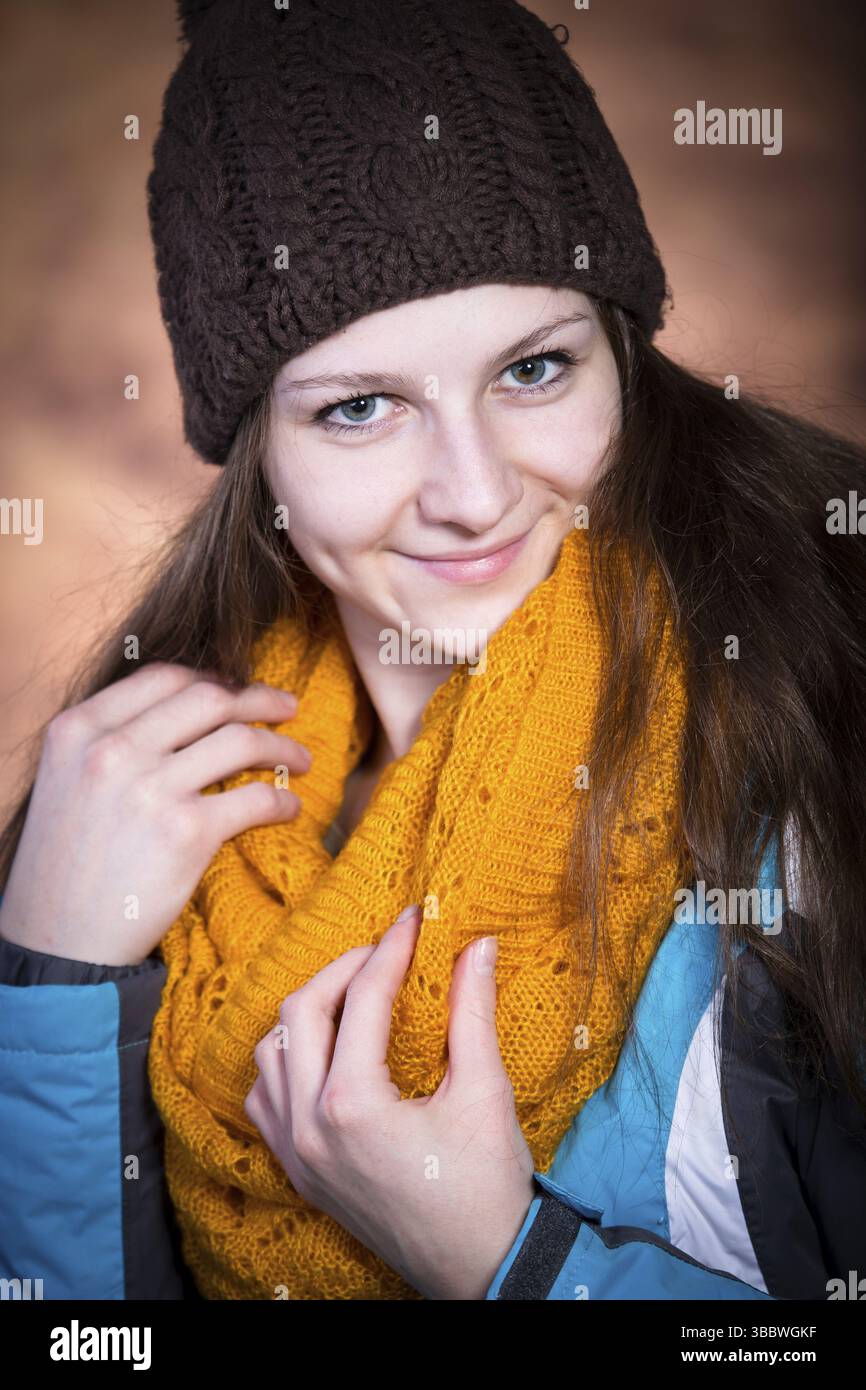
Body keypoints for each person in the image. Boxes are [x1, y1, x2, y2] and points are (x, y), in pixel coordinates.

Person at [1, 0, 865, 1302]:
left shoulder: (825, 724)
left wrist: (505, 1261)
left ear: (623, 355)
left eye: (532, 370)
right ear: (259, 458)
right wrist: (56, 983)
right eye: (358, 407)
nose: (472, 491)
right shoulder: (127, 801)